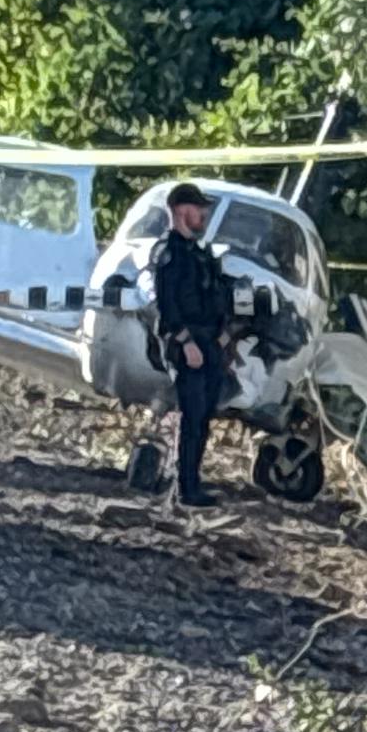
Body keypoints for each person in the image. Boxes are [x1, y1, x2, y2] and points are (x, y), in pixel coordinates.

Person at [150, 182, 231, 508]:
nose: (204, 216)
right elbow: (168, 306)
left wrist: (224, 336)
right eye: (200, 210)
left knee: (204, 418)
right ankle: (187, 488)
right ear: (183, 211)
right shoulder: (171, 256)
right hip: (190, 345)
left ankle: (193, 482)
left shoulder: (199, 255)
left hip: (210, 342)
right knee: (193, 417)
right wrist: (185, 342)